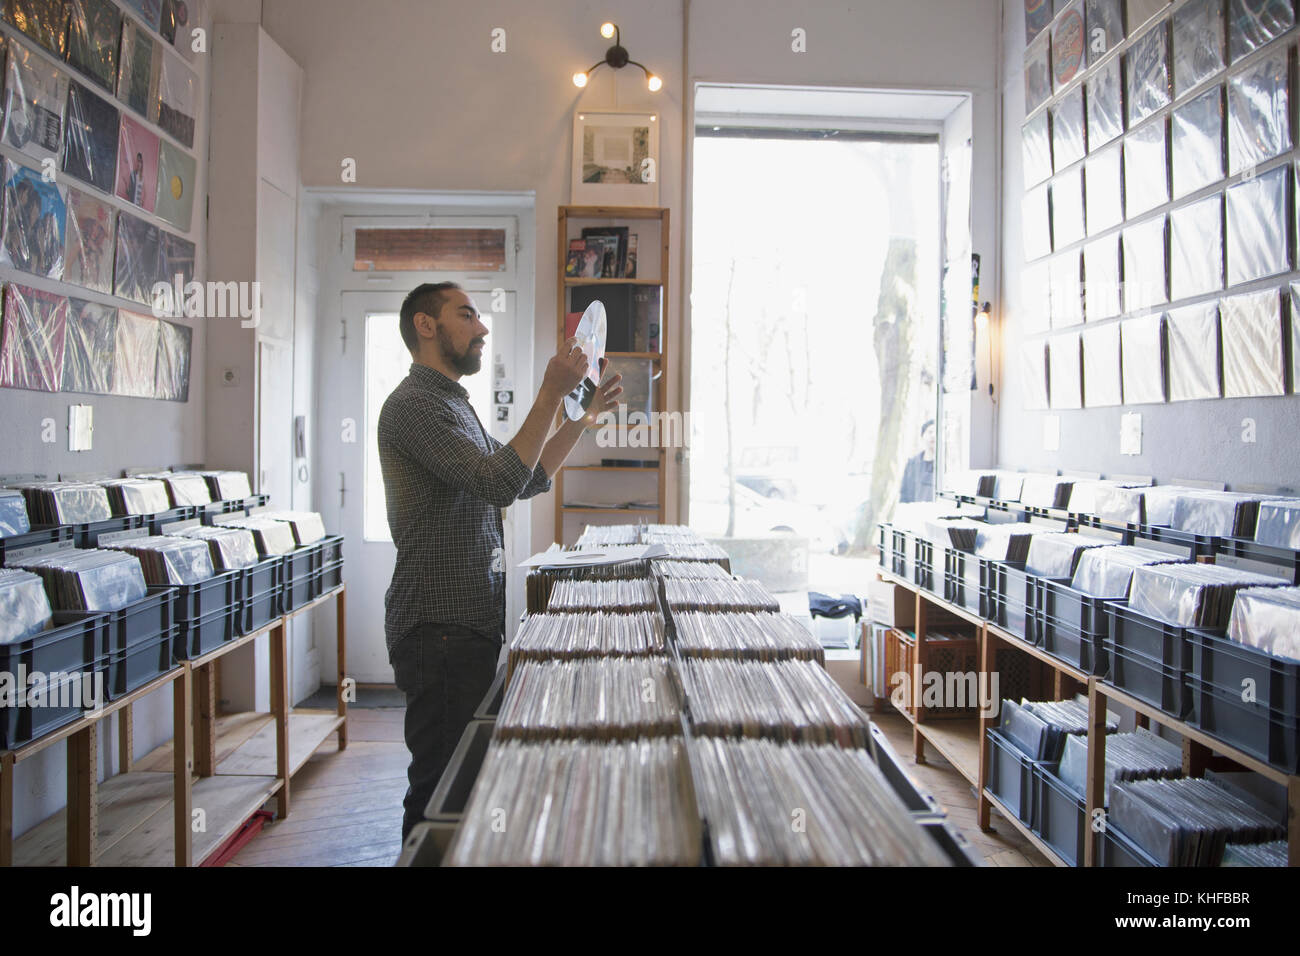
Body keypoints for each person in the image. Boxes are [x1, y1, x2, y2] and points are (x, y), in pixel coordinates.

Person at [378, 281, 622, 840]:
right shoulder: (414, 406)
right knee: (441, 790)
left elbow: (527, 476)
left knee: (457, 782)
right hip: (439, 628)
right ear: (425, 325)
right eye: (466, 315)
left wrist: (579, 420)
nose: (482, 329)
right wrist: (547, 394)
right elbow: (498, 484)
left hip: (463, 626)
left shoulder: (451, 405)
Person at [899, 419, 936, 503]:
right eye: (930, 432)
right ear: (922, 436)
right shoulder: (912, 464)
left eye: (936, 432)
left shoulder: (946, 465)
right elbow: (904, 493)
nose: (933, 435)